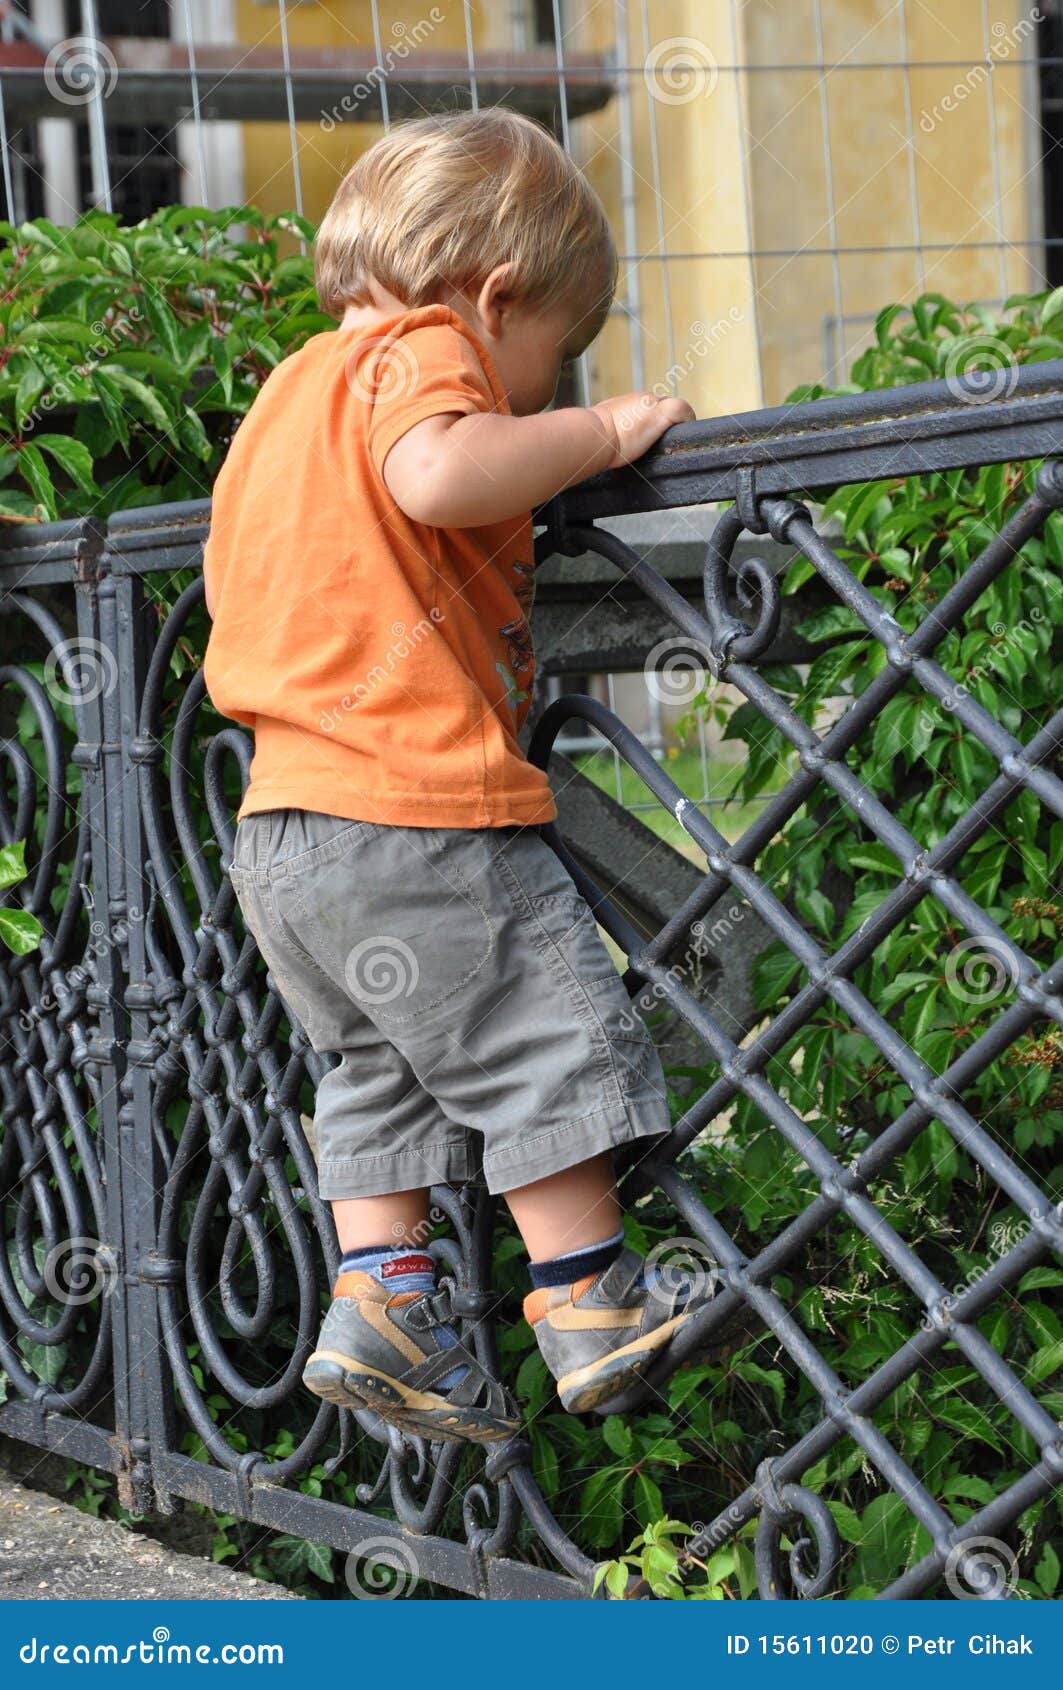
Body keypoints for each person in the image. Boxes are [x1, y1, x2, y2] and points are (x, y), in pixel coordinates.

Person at [204, 108, 730, 1445]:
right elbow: (440, 472)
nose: (539, 400)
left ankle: (384, 1302)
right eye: (550, 367)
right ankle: (590, 1292)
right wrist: (604, 435)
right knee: (540, 1017)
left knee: (375, 1063)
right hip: (412, 807)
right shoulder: (426, 348)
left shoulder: (289, 392)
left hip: (285, 826)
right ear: (496, 302)